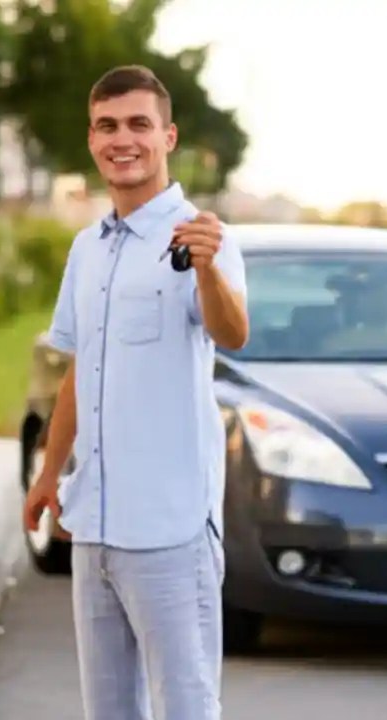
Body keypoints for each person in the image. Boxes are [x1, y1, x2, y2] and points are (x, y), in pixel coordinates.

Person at [23, 64, 249, 720]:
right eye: (107, 125)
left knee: (186, 709)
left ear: (167, 136)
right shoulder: (86, 250)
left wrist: (206, 270)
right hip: (94, 526)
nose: (123, 139)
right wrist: (47, 474)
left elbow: (232, 333)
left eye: (138, 125)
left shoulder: (202, 236)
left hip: (170, 531)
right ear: (92, 141)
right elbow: (79, 369)